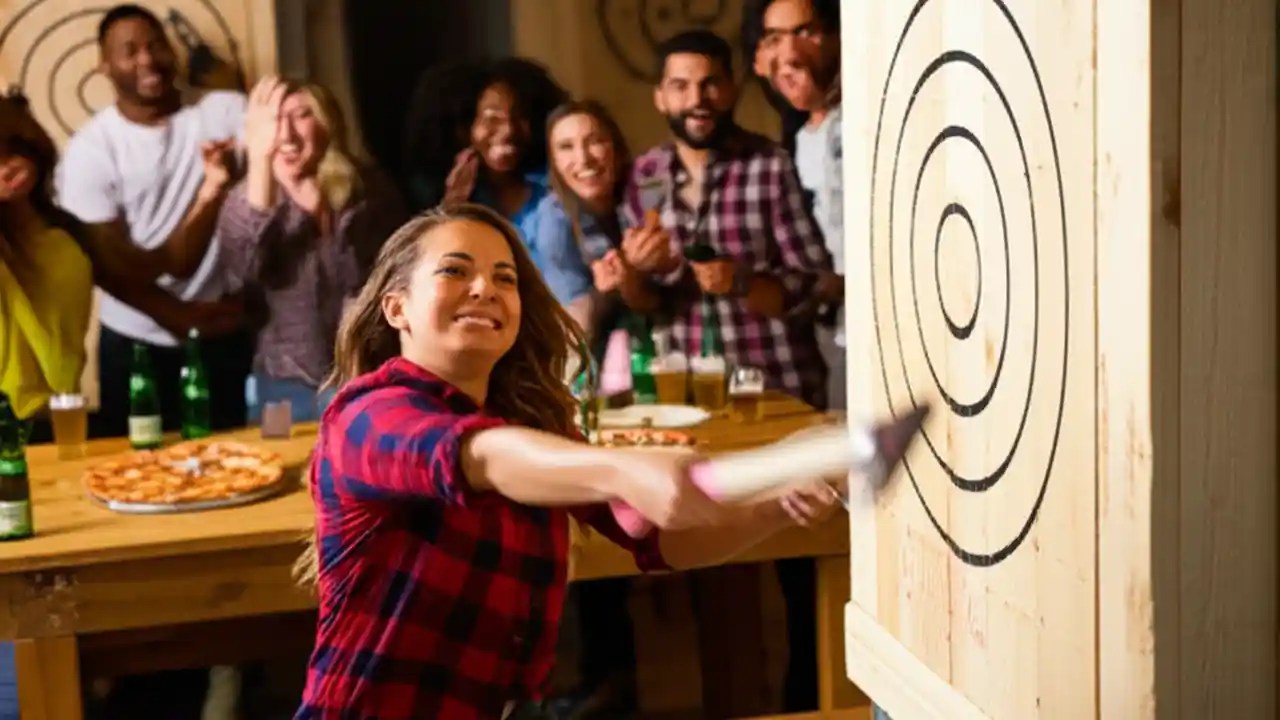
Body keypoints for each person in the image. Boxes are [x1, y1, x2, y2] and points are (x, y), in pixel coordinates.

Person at [292, 203, 842, 719]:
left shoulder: (531, 435)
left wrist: (779, 506)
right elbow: (474, 454)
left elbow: (660, 540)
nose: (485, 288)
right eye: (455, 272)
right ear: (396, 307)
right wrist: (621, 468)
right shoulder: (364, 416)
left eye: (505, 278)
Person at [620, 30, 841, 712]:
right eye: (682, 85)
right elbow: (640, 302)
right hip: (686, 406)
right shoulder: (646, 174)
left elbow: (819, 283)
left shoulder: (768, 166)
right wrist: (637, 271)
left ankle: (809, 698)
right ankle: (735, 703)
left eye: (710, 83)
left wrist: (743, 281)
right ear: (661, 95)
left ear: (733, 88)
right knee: (713, 568)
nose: (698, 99)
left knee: (804, 573)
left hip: (775, 396)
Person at [55, 3, 253, 441]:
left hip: (225, 327)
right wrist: (179, 317)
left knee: (233, 459)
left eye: (155, 45)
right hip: (136, 340)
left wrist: (251, 306)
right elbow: (107, 264)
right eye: (129, 50)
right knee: (138, 468)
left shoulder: (225, 112)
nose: (146, 59)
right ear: (105, 65)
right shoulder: (92, 150)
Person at [532, 100, 663, 718]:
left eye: (595, 141)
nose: (584, 158)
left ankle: (619, 679)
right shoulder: (558, 221)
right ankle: (602, 682)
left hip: (640, 388)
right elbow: (569, 329)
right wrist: (607, 290)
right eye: (566, 148)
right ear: (553, 162)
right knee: (598, 526)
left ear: (616, 145)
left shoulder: (635, 208)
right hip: (578, 393)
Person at [217, 76, 407, 423]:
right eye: (275, 121)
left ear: (327, 123)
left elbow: (396, 274)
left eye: (301, 116)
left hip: (362, 379)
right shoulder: (244, 201)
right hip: (279, 387)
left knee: (356, 471)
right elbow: (243, 269)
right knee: (279, 467)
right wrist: (259, 163)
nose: (286, 135)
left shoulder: (367, 192)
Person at [746, 0, 846, 411]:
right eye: (775, 38)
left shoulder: (871, 118)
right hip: (836, 335)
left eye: (806, 32)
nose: (789, 54)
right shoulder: (801, 140)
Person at [403, 58, 568, 253]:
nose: (508, 130)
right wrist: (453, 207)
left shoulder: (554, 189)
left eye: (521, 116)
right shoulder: (437, 199)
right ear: (462, 129)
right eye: (492, 119)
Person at [0, 89, 94, 420]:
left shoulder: (67, 232)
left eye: (15, 150)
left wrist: (209, 191)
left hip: (59, 416)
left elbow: (142, 277)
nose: (7, 167)